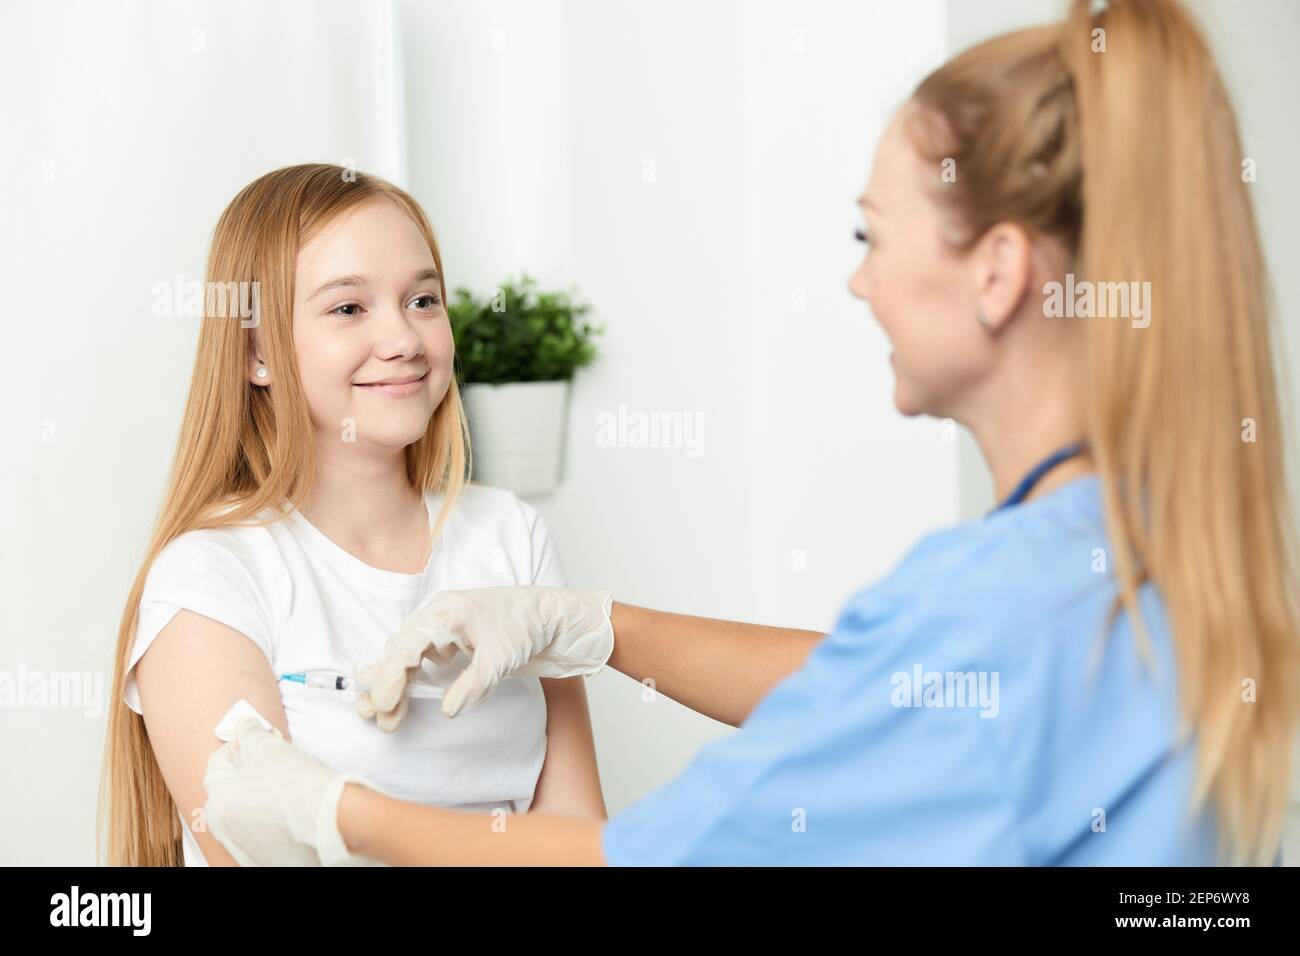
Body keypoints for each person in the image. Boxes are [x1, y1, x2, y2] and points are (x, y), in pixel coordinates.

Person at [201, 0, 1299, 866]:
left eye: (872, 234)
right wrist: (595, 626)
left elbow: (647, 862)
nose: (858, 279)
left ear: (1000, 272)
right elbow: (885, 689)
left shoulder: (991, 602)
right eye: (346, 306)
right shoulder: (1137, 548)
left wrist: (337, 809)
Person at [99, 164, 605, 867]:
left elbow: (584, 840)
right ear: (257, 352)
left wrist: (351, 817)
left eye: (423, 300)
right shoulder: (210, 577)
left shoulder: (509, 535)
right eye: (348, 308)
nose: (404, 338)